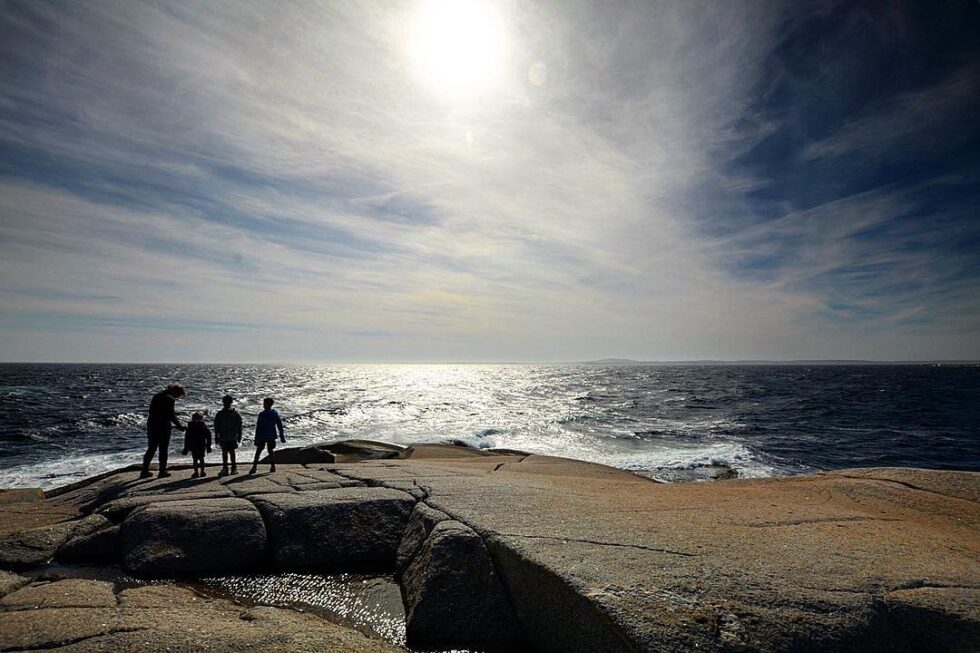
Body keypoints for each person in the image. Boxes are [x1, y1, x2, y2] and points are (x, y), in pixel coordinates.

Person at [140, 383, 186, 479]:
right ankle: (162, 471)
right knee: (163, 449)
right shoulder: (169, 399)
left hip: (152, 424)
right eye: (177, 395)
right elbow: (171, 415)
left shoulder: (157, 396)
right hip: (163, 426)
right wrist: (180, 426)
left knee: (151, 448)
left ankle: (144, 471)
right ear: (175, 391)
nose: (177, 397)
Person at [249, 397, 285, 474]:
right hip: (271, 435)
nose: (263, 405)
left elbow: (258, 427)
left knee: (259, 451)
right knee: (270, 451)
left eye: (264, 404)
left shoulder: (262, 414)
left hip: (263, 435)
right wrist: (282, 436)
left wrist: (256, 438)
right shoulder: (274, 413)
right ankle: (272, 466)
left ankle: (254, 467)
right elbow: (279, 425)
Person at [213, 394, 243, 476]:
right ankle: (233, 468)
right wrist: (239, 435)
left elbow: (216, 426)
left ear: (223, 402)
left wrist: (216, 436)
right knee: (231, 452)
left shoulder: (220, 414)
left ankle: (226, 468)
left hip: (224, 436)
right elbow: (239, 425)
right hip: (231, 436)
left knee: (225, 452)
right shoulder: (235, 413)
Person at [182, 411, 212, 477]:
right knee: (201, 459)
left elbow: (187, 438)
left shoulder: (190, 426)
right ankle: (202, 472)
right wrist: (208, 446)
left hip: (194, 444)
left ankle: (196, 472)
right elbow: (209, 436)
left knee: (195, 459)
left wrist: (185, 448)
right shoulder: (203, 425)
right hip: (202, 444)